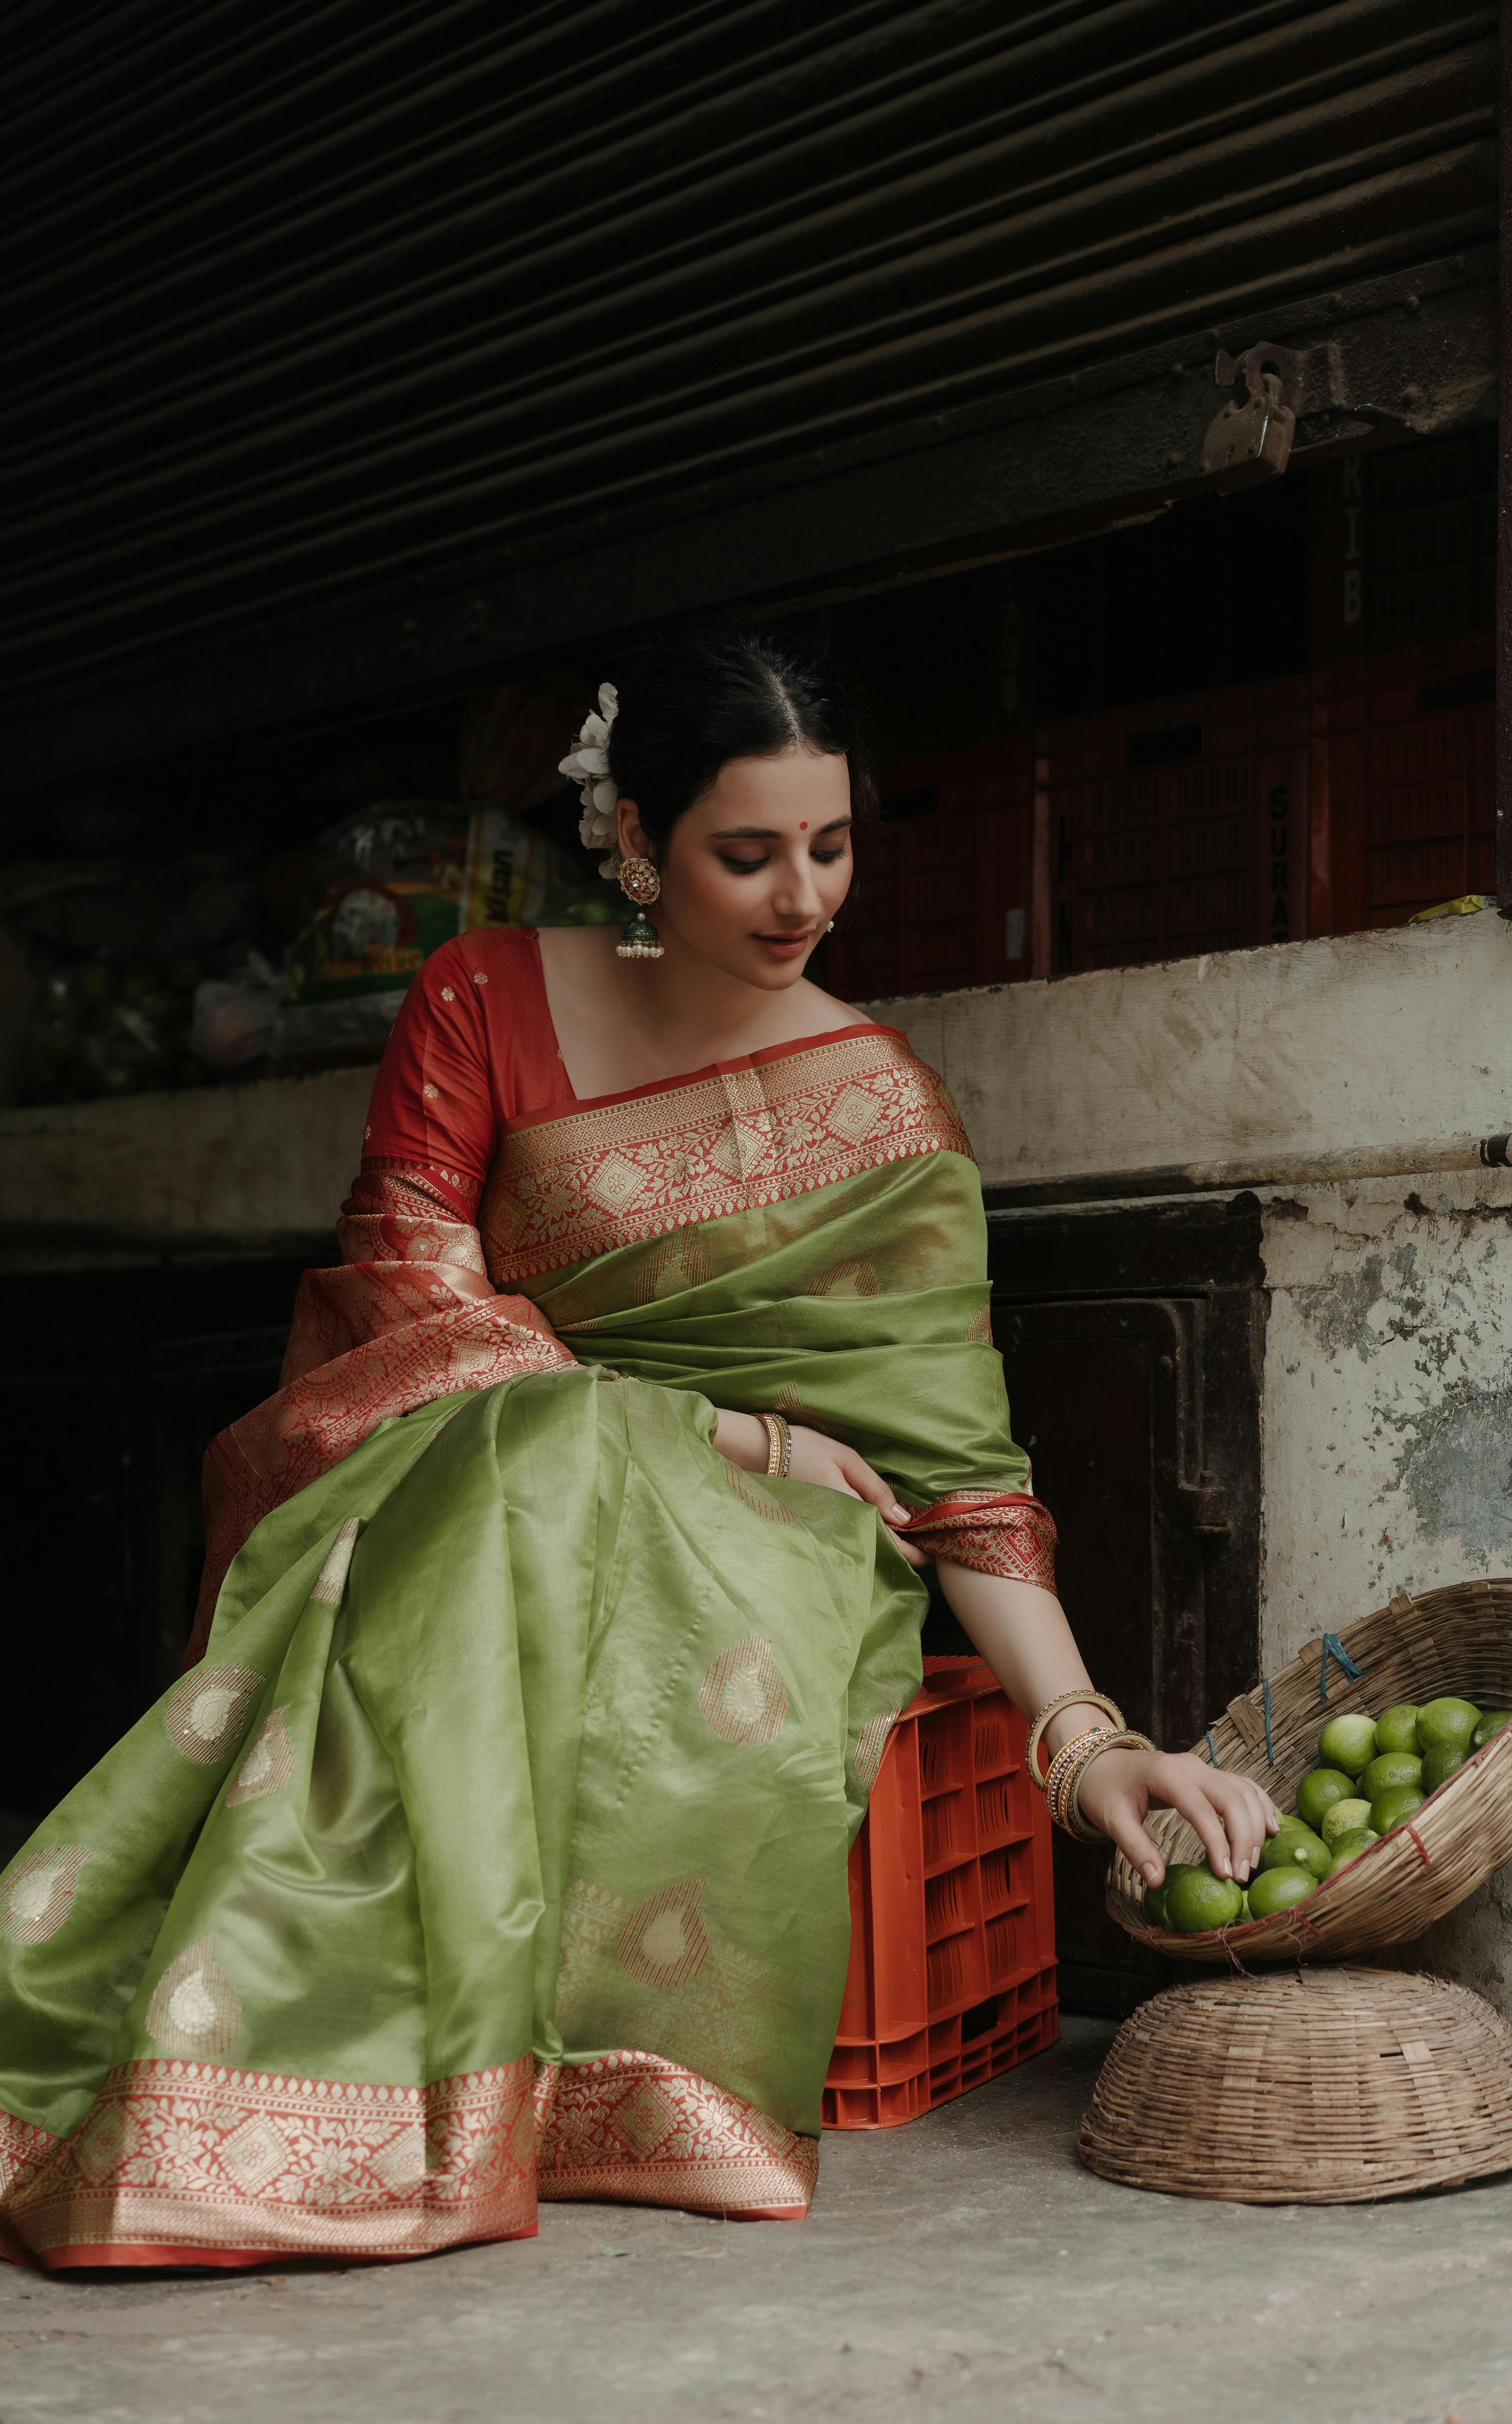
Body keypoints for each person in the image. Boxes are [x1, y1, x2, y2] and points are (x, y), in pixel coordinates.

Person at [0, 625, 1276, 2271]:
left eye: (829, 847)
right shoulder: (482, 997)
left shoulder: (882, 1111)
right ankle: (250, 2081)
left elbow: (963, 1482)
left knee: (536, 1466)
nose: (802, 897)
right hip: (485, 1485)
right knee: (525, 1460)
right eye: (746, 853)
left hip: (769, 1551)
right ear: (633, 842)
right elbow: (409, 1308)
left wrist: (1091, 1741)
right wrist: (719, 1428)